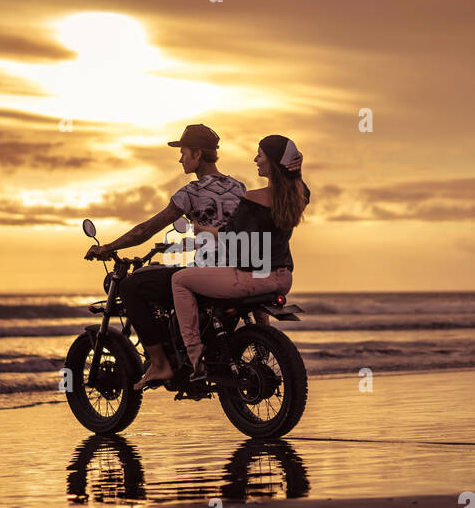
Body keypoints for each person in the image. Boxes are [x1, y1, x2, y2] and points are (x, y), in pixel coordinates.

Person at [83, 123, 246, 389]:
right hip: (239, 268)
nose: (180, 158)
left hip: (206, 274)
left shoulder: (190, 193)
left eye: (183, 152)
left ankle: (160, 364)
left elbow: (146, 229)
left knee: (131, 286)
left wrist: (108, 247)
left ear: (197, 154)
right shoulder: (238, 187)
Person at [169, 134, 310, 382]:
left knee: (180, 279)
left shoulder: (253, 198)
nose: (256, 159)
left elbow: (230, 235)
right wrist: (295, 172)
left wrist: (203, 230)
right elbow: (296, 184)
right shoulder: (299, 195)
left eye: (260, 155)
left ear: (273, 162)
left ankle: (194, 352)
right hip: (283, 277)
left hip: (254, 277)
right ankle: (262, 347)